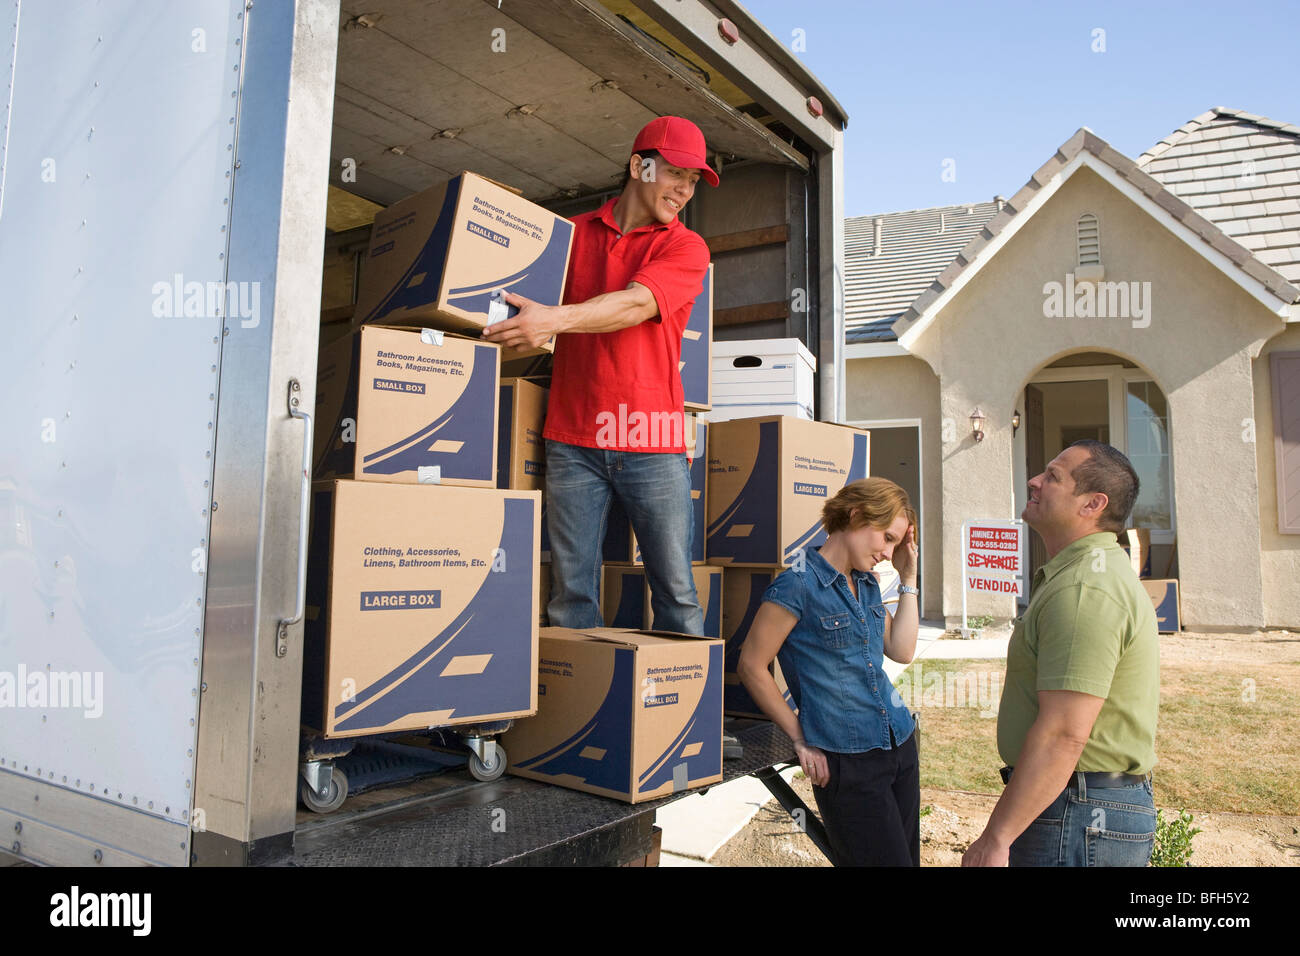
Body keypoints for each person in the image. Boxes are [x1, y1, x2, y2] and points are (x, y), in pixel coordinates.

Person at [482, 116, 717, 636]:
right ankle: (579, 708)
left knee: (675, 590)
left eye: (694, 180)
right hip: (572, 438)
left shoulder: (685, 248)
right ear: (640, 165)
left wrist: (553, 319)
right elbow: (512, 296)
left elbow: (634, 304)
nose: (685, 189)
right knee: (570, 594)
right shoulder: (570, 238)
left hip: (651, 440)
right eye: (677, 173)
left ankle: (684, 716)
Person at [963, 440, 1159, 867]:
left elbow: (1063, 734)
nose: (1034, 481)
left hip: (1079, 812)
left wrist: (995, 839)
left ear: (1092, 504)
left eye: (1052, 476)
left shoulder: (1085, 589)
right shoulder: (1081, 574)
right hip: (1077, 805)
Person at [738, 477, 921, 866]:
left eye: (895, 543)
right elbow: (751, 665)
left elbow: (902, 650)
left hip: (899, 742)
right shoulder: (797, 584)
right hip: (848, 760)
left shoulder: (868, 585)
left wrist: (908, 580)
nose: (889, 552)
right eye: (886, 538)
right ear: (856, 516)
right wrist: (801, 738)